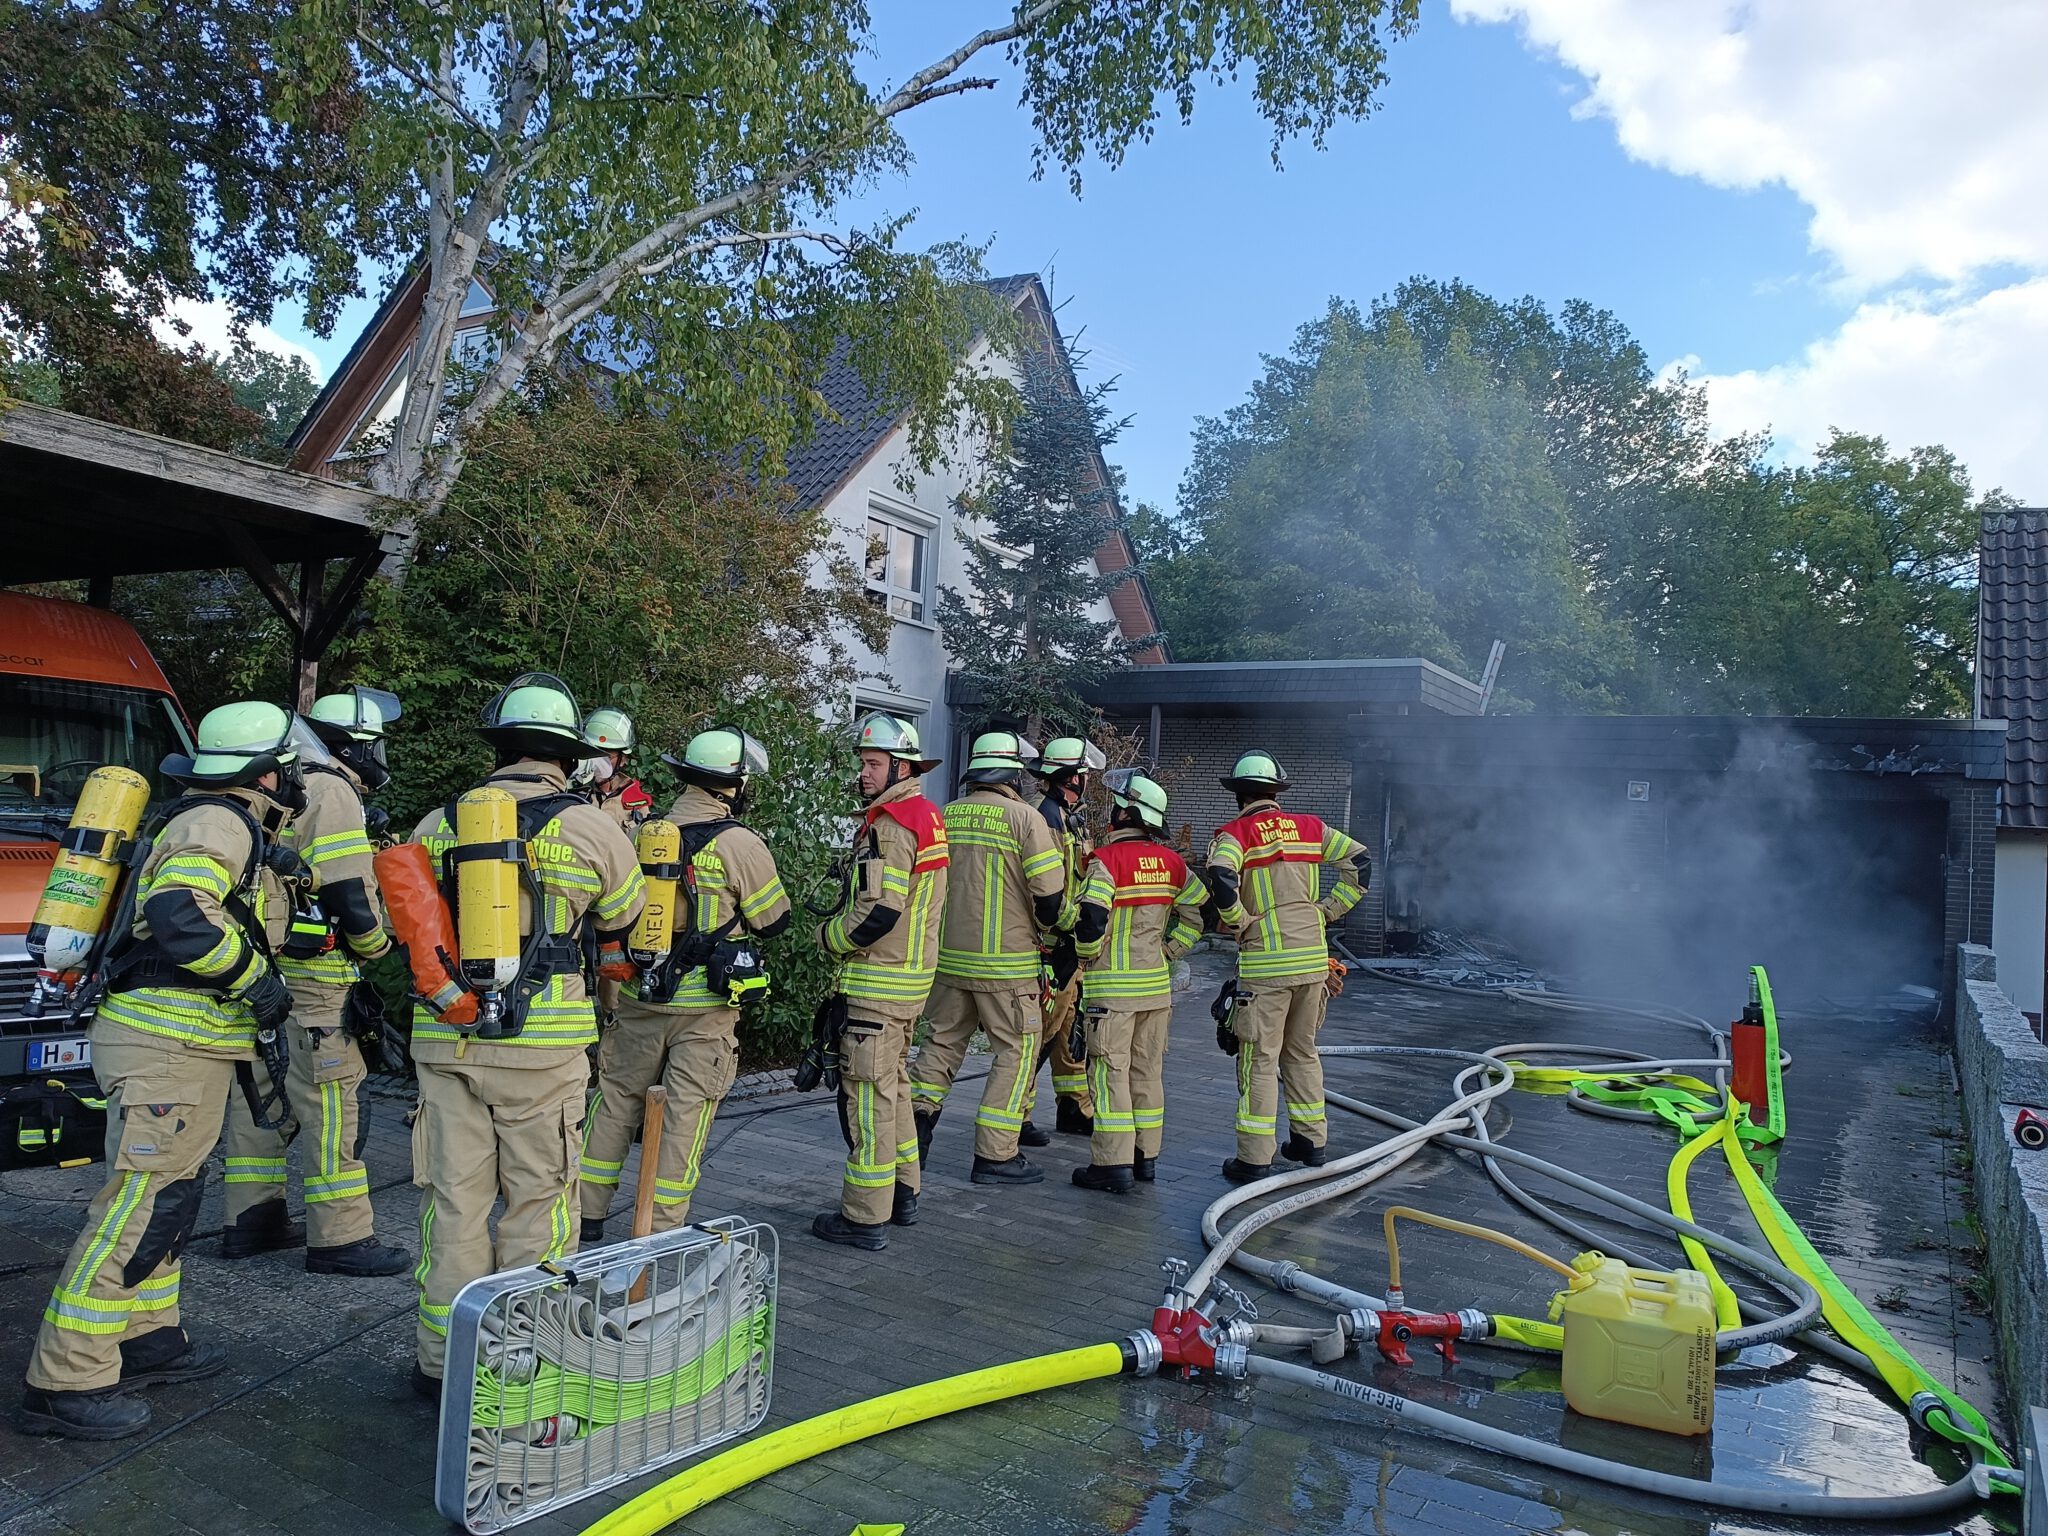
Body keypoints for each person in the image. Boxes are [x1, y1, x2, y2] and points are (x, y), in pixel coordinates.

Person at [17, 702, 307, 1439]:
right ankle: (65, 1380)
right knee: (138, 1206)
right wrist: (255, 980)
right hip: (165, 1047)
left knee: (171, 1199)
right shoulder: (220, 823)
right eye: (288, 763)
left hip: (184, 1046)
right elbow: (179, 913)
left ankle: (147, 1335)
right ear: (268, 770)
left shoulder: (229, 824)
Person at [406, 673, 645, 1398]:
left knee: (454, 1203)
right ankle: (520, 1368)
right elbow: (629, 919)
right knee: (539, 1206)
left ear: (499, 747)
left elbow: (402, 926)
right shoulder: (593, 826)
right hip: (542, 1049)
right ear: (567, 756)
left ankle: (441, 1364)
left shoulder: (437, 823)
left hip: (446, 1042)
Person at [217, 688, 412, 1276]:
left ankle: (251, 1221)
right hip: (318, 983)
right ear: (356, 745)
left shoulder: (272, 784)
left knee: (259, 1095)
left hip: (262, 977)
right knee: (331, 1105)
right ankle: (340, 1238)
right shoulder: (331, 789)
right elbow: (348, 891)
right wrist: (380, 954)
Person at [579, 726, 789, 1240]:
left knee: (613, 1103)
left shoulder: (641, 831)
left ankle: (586, 1216)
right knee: (683, 1119)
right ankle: (657, 1231)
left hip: (638, 998)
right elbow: (773, 922)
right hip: (705, 1010)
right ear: (732, 785)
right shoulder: (740, 842)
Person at [810, 714, 949, 1250]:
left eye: (872, 764)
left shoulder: (892, 824)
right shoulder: (927, 815)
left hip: (878, 985)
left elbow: (879, 913)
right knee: (894, 1089)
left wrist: (830, 939)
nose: (864, 773)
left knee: (866, 1098)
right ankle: (904, 1193)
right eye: (863, 763)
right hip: (910, 985)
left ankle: (865, 1215)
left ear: (901, 766)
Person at [908, 732, 1067, 1185]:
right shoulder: (1025, 819)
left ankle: (915, 1134)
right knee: (1016, 1052)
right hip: (1008, 969)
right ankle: (996, 1155)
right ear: (1014, 773)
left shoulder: (946, 815)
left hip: (949, 960)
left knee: (940, 1044)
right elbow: (1050, 899)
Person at [1206, 750, 1370, 1185]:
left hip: (1265, 968)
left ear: (1239, 794)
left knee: (1259, 1059)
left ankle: (1254, 1157)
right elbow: (1362, 863)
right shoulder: (1312, 829)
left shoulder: (1235, 833)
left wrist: (1240, 923)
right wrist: (1329, 910)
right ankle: (1310, 1143)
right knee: (1302, 1053)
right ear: (1277, 792)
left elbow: (1220, 877)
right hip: (1314, 963)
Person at [1069, 769, 1206, 1193]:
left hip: (1111, 993)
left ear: (1127, 812)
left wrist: (1086, 957)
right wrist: (1170, 951)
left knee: (1111, 1077)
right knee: (1147, 1075)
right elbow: (1199, 913)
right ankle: (1145, 1158)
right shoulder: (1173, 864)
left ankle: (1111, 1166)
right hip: (1155, 991)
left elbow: (1091, 920)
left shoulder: (1106, 862)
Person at [1021, 737, 1104, 1139]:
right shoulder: (1045, 818)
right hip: (1050, 943)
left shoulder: (1071, 816)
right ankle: (1016, 1117)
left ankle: (1073, 1106)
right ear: (1071, 777)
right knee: (1039, 1033)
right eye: (1085, 775)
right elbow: (1045, 890)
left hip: (1070, 941)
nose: (1088, 781)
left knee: (1069, 1027)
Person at [578, 707, 653, 830]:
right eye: (593, 754)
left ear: (622, 760)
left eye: (606, 757)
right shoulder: (572, 791)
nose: (597, 762)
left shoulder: (635, 800)